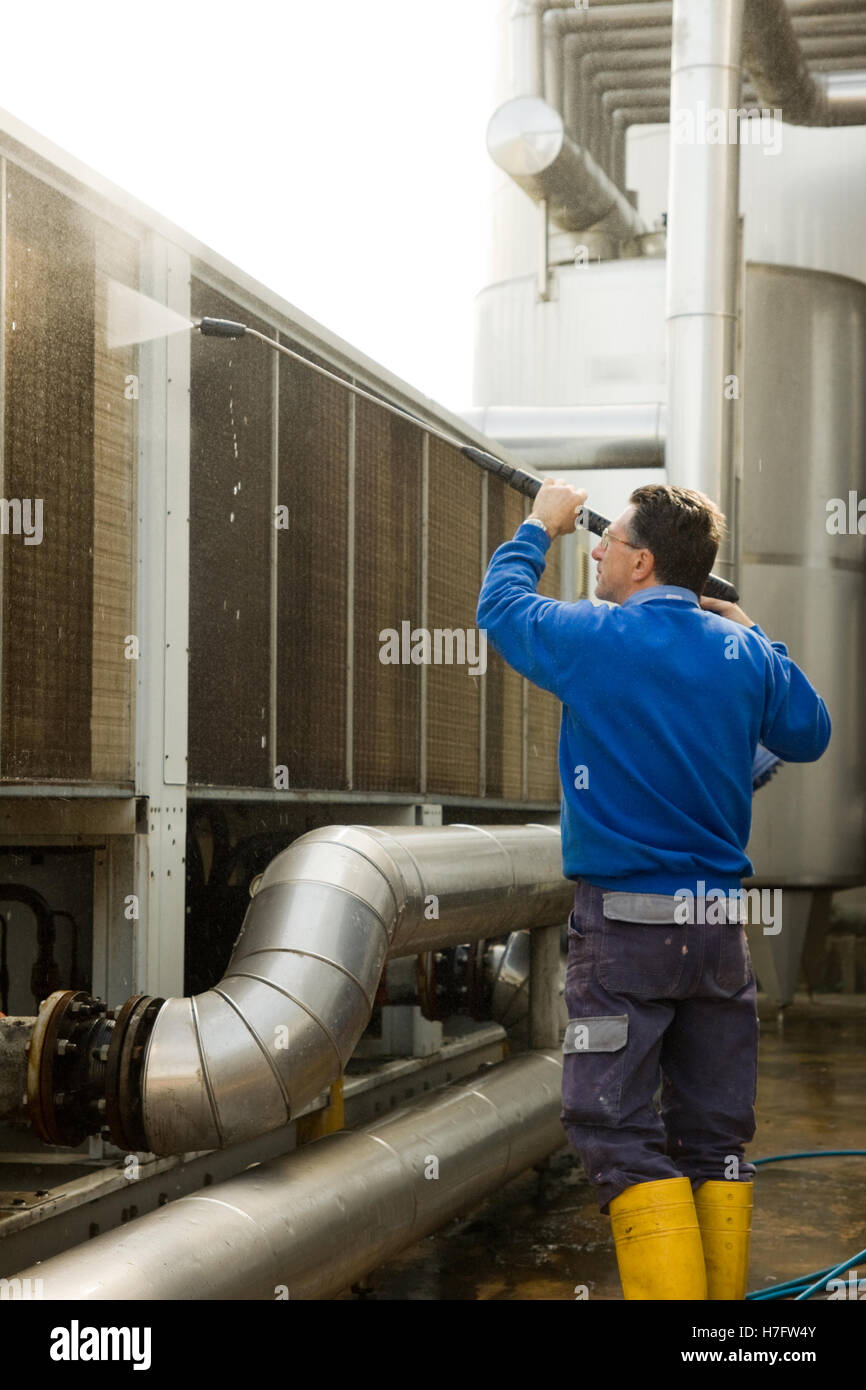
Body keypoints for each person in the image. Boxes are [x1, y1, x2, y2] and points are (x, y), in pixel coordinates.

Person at [476, 478, 831, 1301]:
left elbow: (502, 610)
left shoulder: (597, 637)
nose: (594, 550)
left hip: (626, 932)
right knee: (716, 1141)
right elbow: (810, 732)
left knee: (616, 1131)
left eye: (607, 541)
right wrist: (754, 632)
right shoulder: (741, 654)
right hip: (718, 936)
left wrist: (539, 526)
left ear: (640, 561)